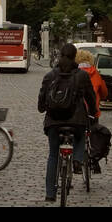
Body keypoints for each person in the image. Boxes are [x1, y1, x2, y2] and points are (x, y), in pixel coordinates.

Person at [38, 44, 96, 202]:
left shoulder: (50, 75)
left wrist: (44, 108)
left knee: (53, 155)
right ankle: (77, 160)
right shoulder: (82, 76)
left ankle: (50, 194)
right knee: (80, 135)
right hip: (76, 120)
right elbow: (91, 98)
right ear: (75, 57)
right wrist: (93, 113)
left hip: (53, 122)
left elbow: (41, 104)